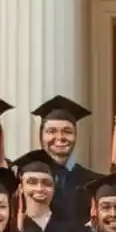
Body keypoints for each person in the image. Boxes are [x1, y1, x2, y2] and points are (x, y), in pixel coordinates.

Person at [33, 95, 101, 225]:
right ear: (41, 136)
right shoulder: (27, 183)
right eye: (51, 131)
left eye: (67, 131)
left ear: (76, 135)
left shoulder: (94, 184)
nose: (60, 137)